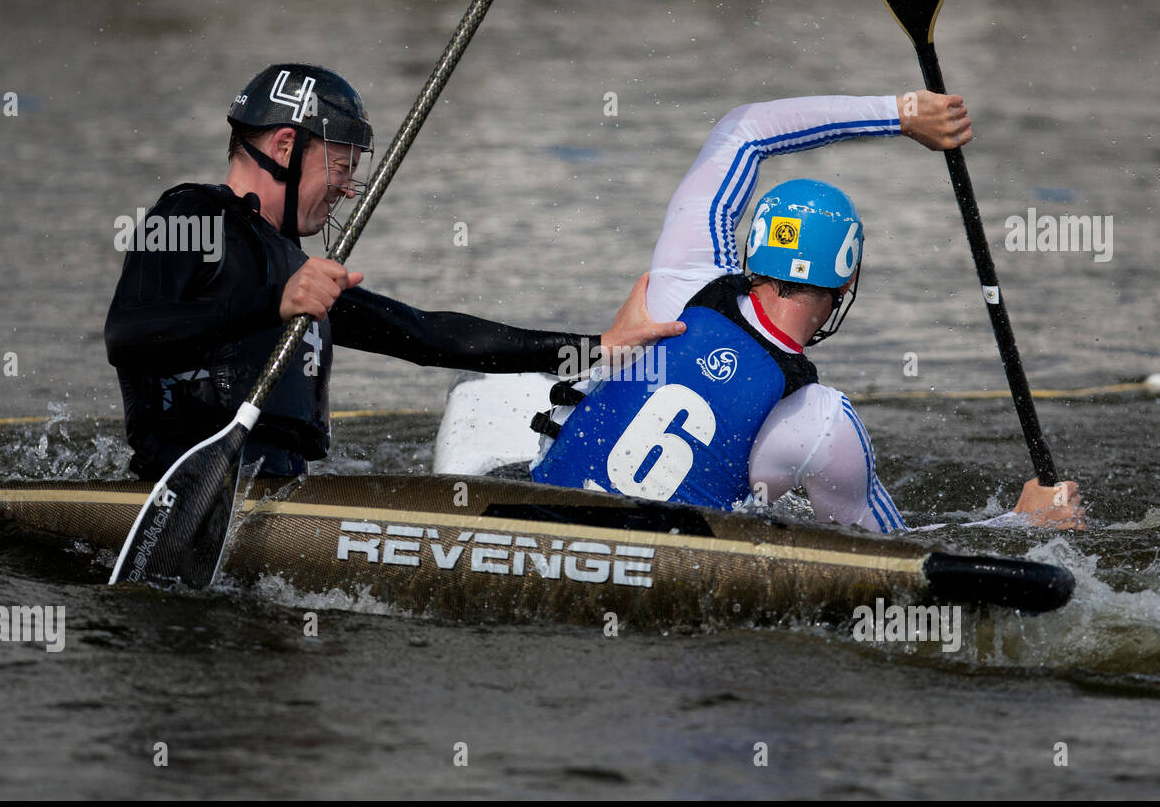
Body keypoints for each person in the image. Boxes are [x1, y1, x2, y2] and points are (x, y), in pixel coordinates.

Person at [529, 91, 1085, 530]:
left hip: (535, 519)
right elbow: (883, 557)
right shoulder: (819, 420)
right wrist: (1022, 522)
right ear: (848, 279)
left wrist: (903, 113)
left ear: (756, 248)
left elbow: (742, 128)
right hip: (665, 574)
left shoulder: (681, 281)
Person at [104, 63, 683, 481]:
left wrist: (594, 348)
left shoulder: (295, 267)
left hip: (277, 490)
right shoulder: (191, 214)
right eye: (339, 165)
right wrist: (273, 304)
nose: (348, 187)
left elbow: (430, 336)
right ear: (285, 146)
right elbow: (128, 334)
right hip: (176, 482)